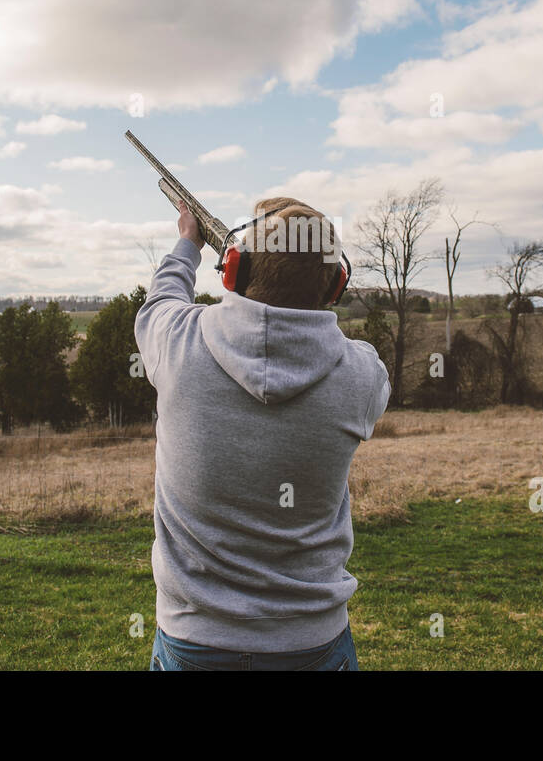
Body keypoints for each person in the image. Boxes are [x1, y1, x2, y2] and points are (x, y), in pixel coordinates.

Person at [135, 196, 390, 670]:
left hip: (193, 637)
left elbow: (162, 298)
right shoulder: (363, 374)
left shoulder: (177, 342)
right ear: (336, 285)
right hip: (312, 642)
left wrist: (189, 242)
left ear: (232, 270)